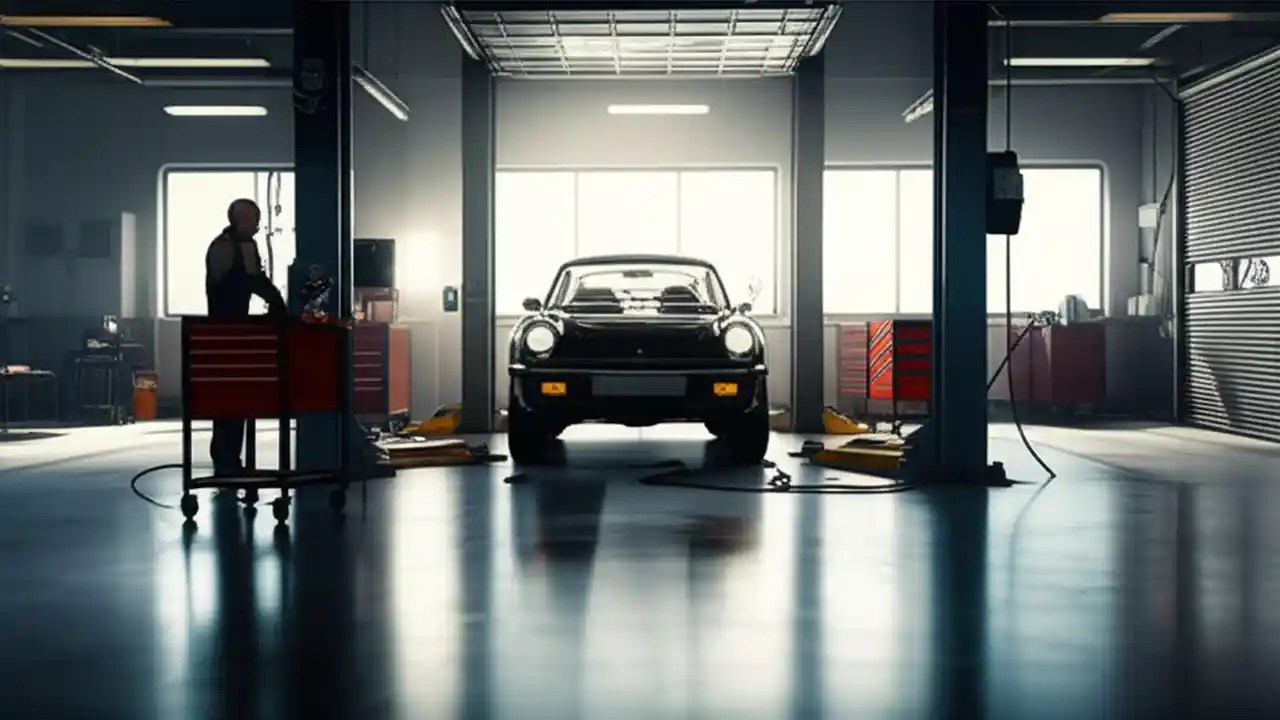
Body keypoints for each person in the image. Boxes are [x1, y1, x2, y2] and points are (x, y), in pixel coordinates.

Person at [205, 198, 287, 475]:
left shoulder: (246, 247)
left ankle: (231, 460)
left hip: (238, 332)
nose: (258, 223)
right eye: (254, 218)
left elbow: (256, 280)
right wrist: (273, 300)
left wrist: (275, 303)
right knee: (227, 397)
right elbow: (232, 283)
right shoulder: (222, 248)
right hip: (223, 333)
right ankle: (225, 458)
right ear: (239, 220)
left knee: (238, 397)